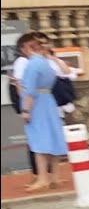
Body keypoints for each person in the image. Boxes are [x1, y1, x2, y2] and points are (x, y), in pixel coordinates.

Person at [16, 32, 68, 193]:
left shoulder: (32, 64)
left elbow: (30, 91)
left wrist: (26, 110)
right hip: (48, 101)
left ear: (26, 47)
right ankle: (55, 177)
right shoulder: (45, 63)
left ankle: (43, 178)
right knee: (52, 137)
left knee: (38, 142)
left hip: (37, 104)